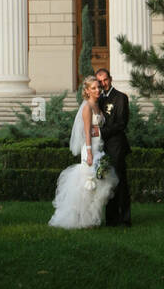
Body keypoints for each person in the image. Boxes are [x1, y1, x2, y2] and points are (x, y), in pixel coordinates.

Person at [49, 76, 118, 229]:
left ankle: (93, 218)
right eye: (93, 88)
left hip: (99, 146)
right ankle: (82, 220)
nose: (97, 90)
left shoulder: (97, 105)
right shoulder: (87, 107)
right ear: (87, 91)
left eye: (98, 87)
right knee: (88, 183)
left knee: (98, 183)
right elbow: (86, 132)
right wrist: (89, 153)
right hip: (90, 148)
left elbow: (98, 128)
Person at [95, 67, 132, 226]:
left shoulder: (121, 98)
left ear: (111, 79)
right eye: (100, 81)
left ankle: (124, 219)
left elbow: (121, 124)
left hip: (116, 145)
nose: (103, 83)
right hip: (101, 147)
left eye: (105, 80)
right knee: (106, 182)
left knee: (119, 182)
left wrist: (100, 133)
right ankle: (110, 218)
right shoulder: (97, 99)